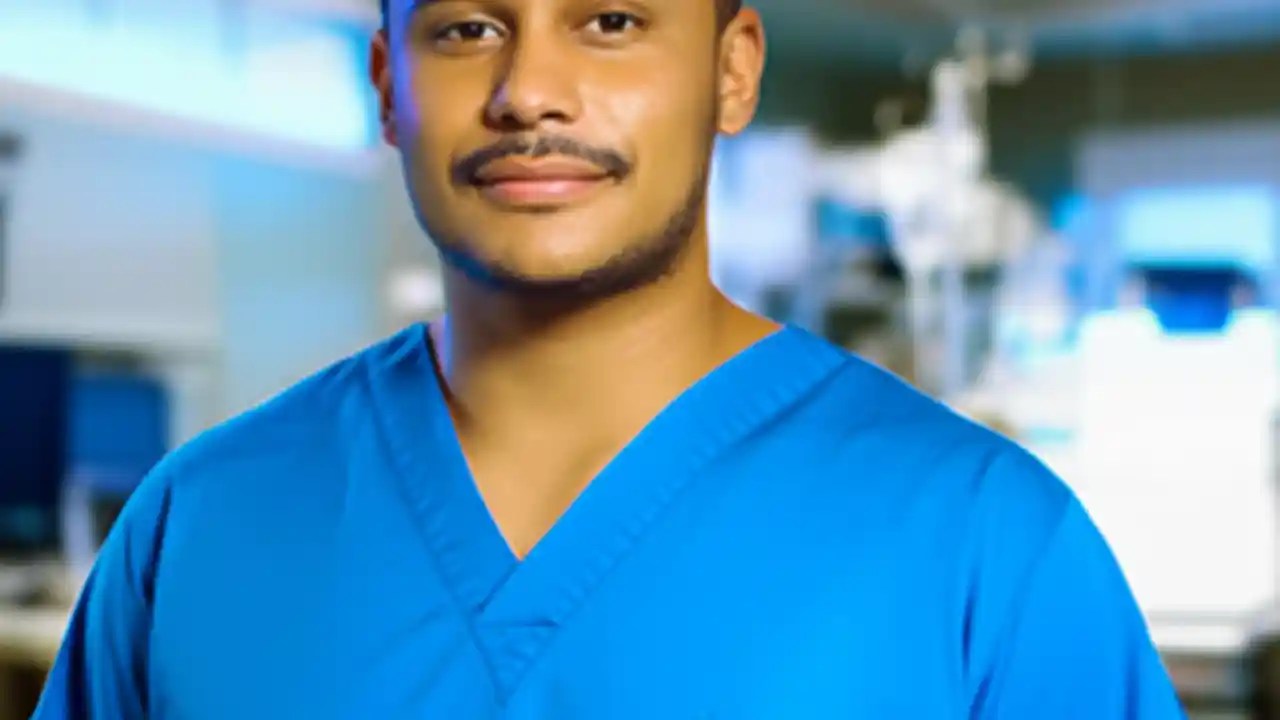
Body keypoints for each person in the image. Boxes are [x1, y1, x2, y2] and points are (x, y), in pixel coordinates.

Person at [35, 0, 1186, 718]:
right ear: (387, 85)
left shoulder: (982, 542)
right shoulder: (198, 528)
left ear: (732, 71)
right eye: (465, 28)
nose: (528, 90)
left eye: (611, 22)